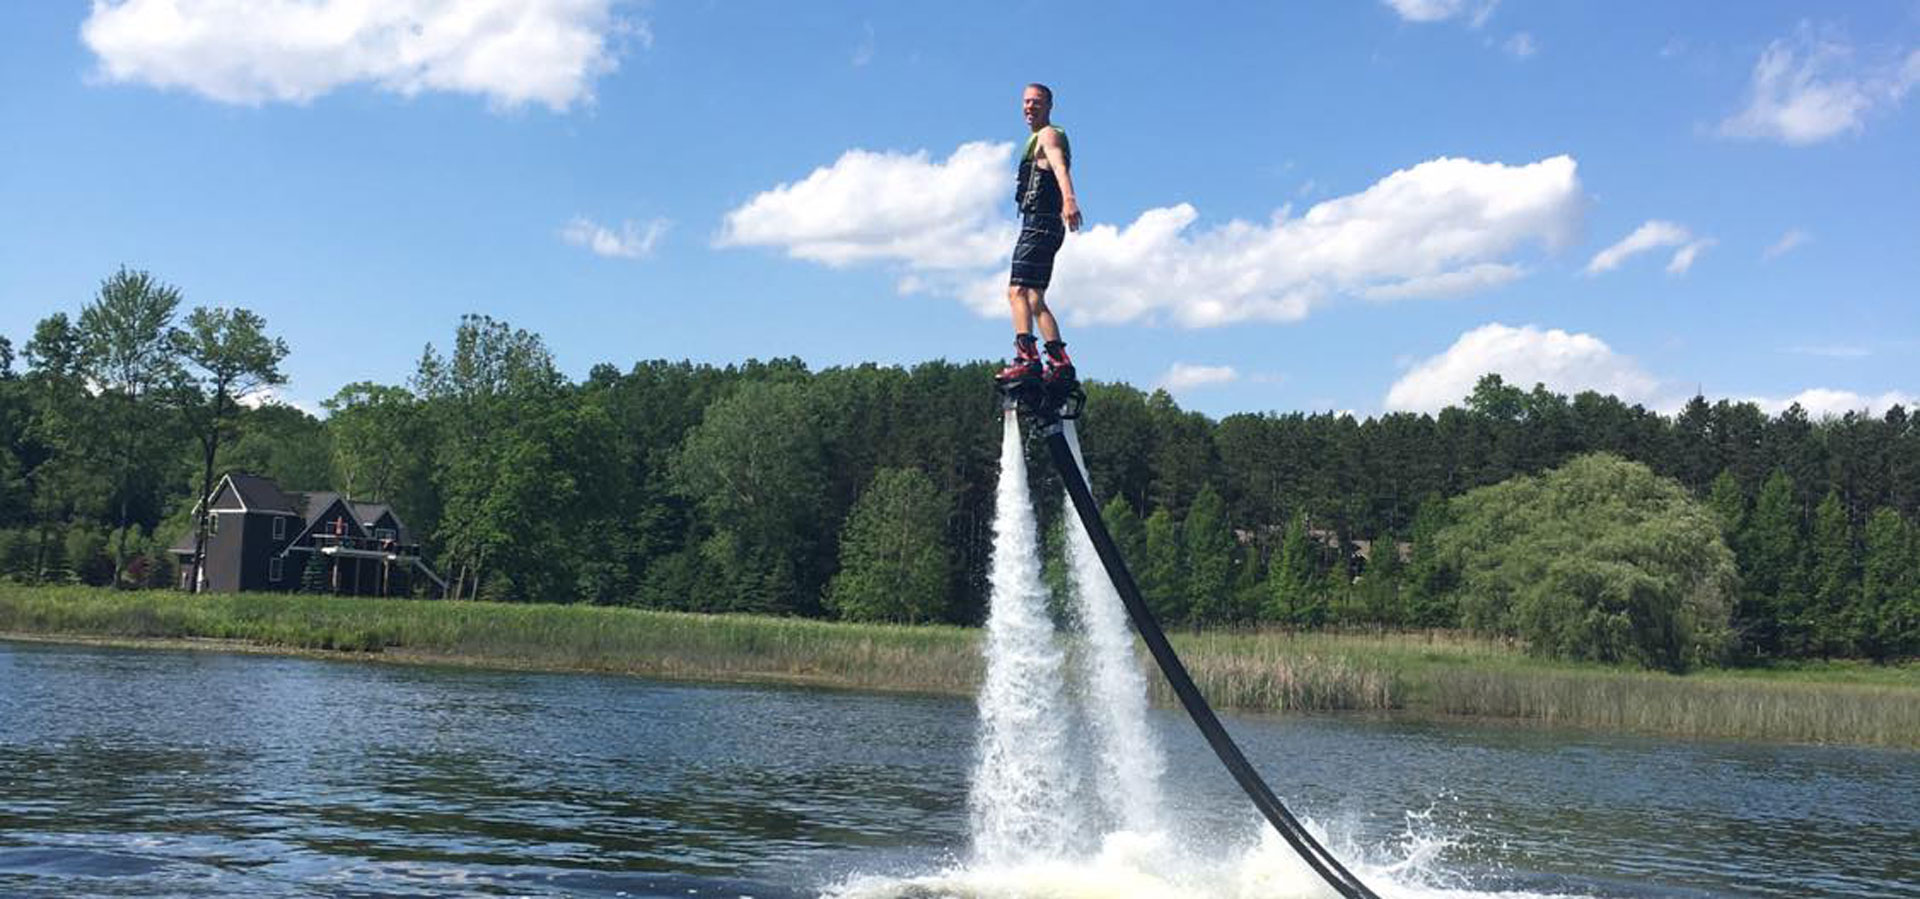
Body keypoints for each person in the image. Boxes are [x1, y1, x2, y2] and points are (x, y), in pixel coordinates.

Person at [997, 82, 1082, 387]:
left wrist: (1070, 199)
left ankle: (1027, 359)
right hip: (1045, 225)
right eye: (1025, 102)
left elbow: (1059, 167)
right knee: (1034, 298)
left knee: (1016, 291)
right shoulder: (1036, 139)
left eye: (1036, 102)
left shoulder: (1049, 135)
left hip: (1040, 223)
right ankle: (1059, 361)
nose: (1029, 107)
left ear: (1048, 106)